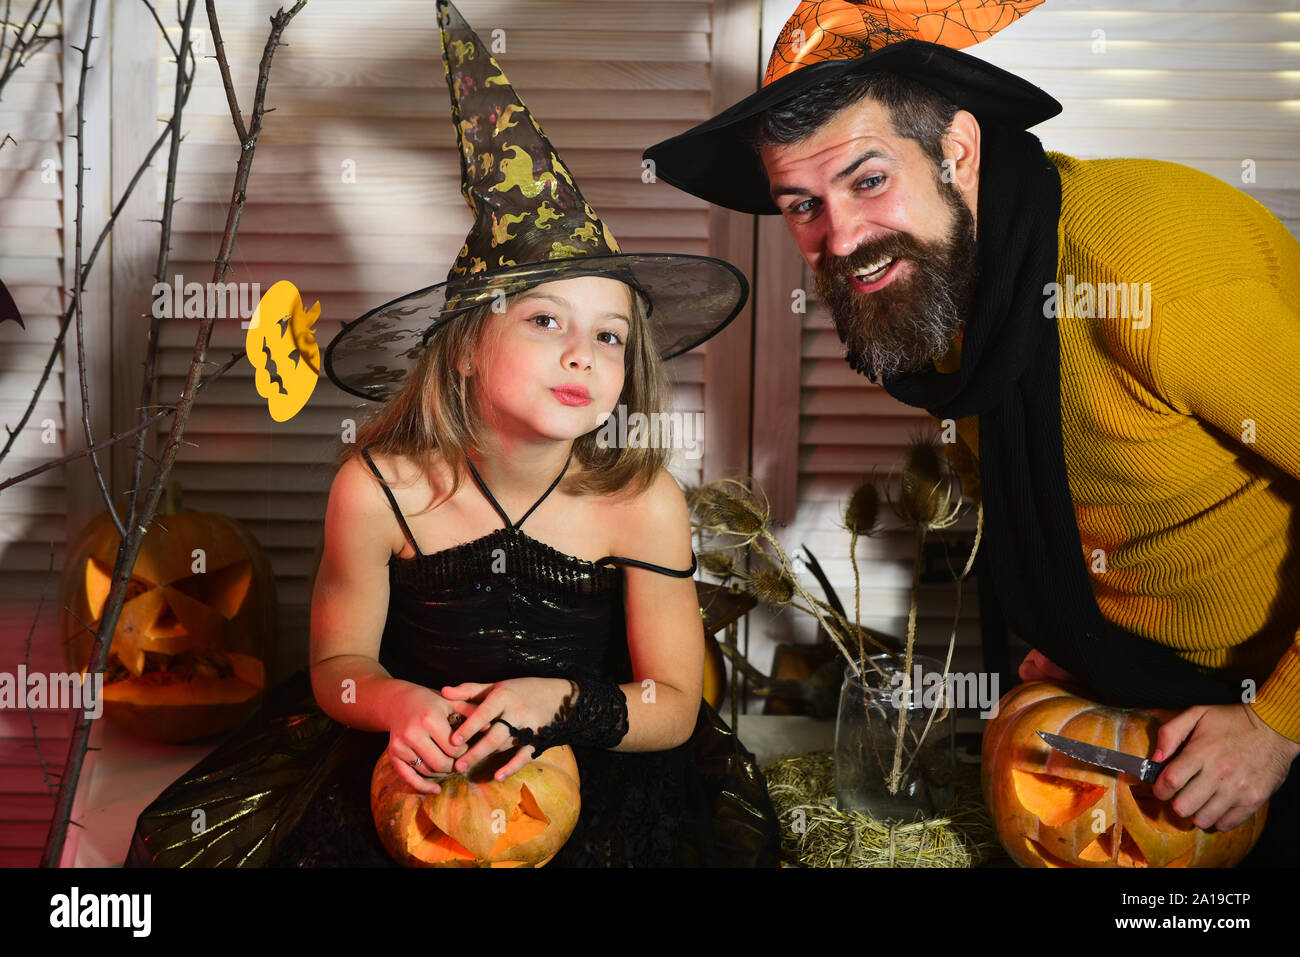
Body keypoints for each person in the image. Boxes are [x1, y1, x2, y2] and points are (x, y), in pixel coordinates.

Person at [124, 0, 779, 868]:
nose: (583, 353)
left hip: (588, 753)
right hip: (416, 759)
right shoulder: (379, 488)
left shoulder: (638, 500)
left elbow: (672, 701)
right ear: (466, 346)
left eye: (610, 336)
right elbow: (339, 664)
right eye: (546, 321)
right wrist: (395, 703)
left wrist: (558, 701)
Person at [644, 0, 1300, 865]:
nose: (840, 238)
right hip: (1125, 686)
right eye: (802, 203)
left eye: (868, 179)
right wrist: (1076, 629)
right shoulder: (949, 296)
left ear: (957, 147)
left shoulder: (1151, 267)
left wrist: (1275, 723)